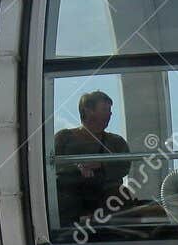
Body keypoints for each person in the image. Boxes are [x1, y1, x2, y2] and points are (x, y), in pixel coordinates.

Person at [54, 90, 131, 227]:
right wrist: (77, 167)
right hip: (70, 193)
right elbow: (50, 165)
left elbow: (125, 166)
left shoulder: (116, 142)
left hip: (105, 194)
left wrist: (101, 165)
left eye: (110, 110)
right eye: (105, 109)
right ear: (89, 111)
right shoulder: (63, 138)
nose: (110, 114)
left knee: (121, 195)